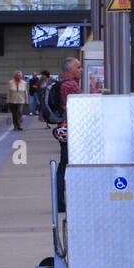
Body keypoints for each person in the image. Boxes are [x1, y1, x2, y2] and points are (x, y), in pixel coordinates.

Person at [54, 55, 83, 213]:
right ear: (70, 69)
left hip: (64, 128)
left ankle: (59, 200)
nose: (81, 70)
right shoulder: (71, 85)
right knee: (66, 165)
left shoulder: (61, 82)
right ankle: (61, 201)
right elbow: (81, 105)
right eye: (78, 67)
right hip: (72, 129)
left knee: (63, 165)